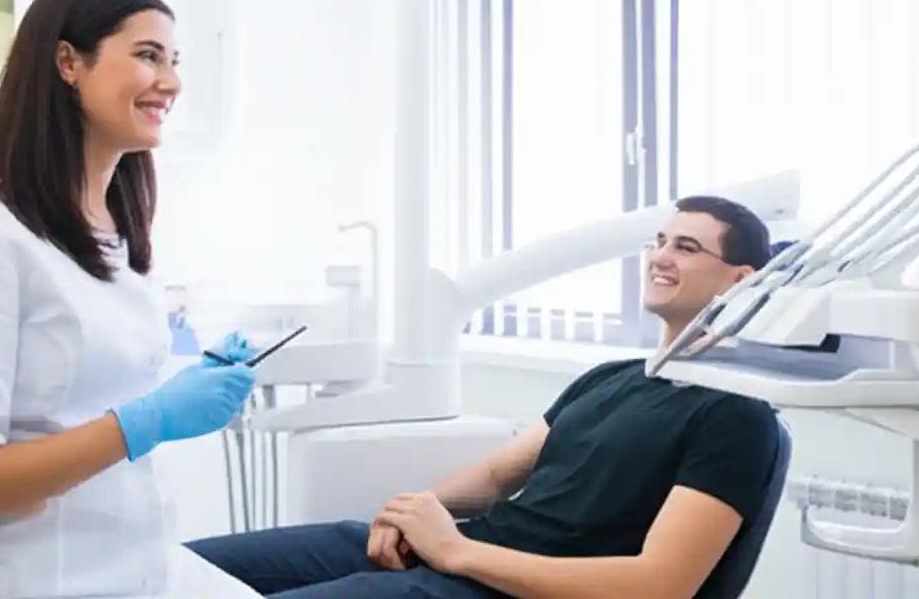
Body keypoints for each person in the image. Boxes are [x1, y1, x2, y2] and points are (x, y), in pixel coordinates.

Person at [186, 195, 784, 598]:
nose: (660, 256)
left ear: (741, 280)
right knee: (185, 571)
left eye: (686, 247)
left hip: (498, 585)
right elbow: (500, 473)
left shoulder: (734, 414)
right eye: (659, 240)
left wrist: (455, 553)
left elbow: (662, 584)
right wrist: (410, 513)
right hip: (459, 554)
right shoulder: (612, 376)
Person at [0, 0, 263, 598]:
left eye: (174, 62)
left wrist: (181, 386)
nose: (171, 82)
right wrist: (147, 421)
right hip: (25, 581)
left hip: (135, 567)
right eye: (148, 55)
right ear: (68, 62)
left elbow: (93, 392)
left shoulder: (122, 242)